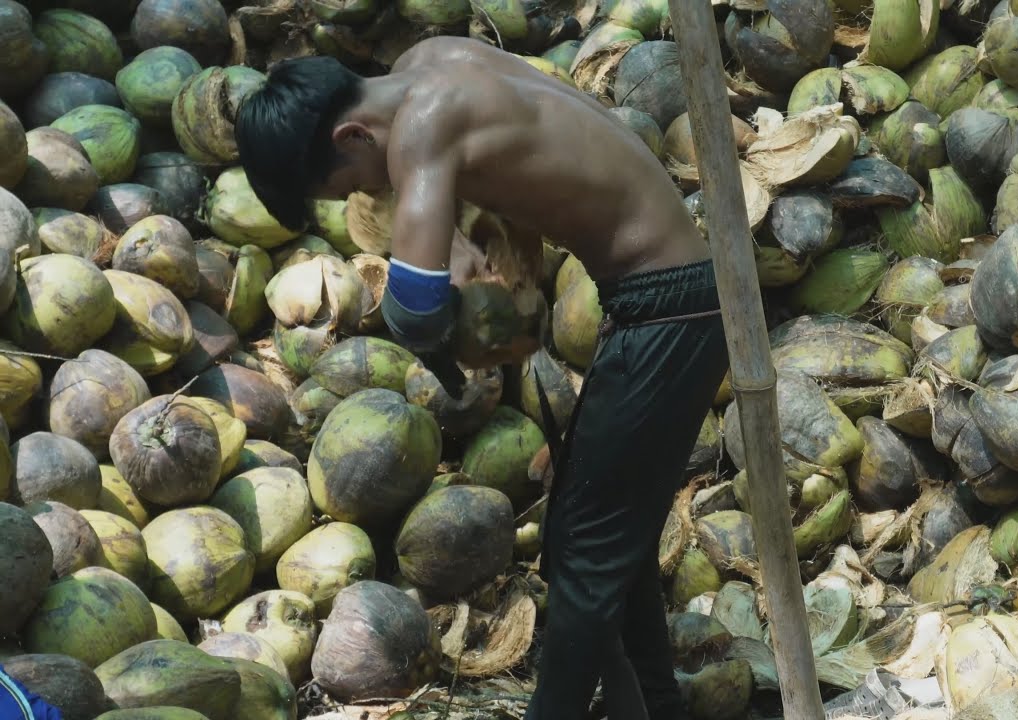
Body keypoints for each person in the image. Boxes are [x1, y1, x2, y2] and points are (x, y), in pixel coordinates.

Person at [234, 37, 730, 720]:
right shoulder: (427, 58)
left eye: (352, 181)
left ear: (351, 133)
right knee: (608, 536)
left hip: (668, 310)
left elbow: (415, 310)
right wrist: (484, 260)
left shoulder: (422, 125)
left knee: (583, 557)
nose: (369, 192)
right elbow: (523, 186)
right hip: (661, 300)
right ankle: (655, 706)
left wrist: (450, 314)